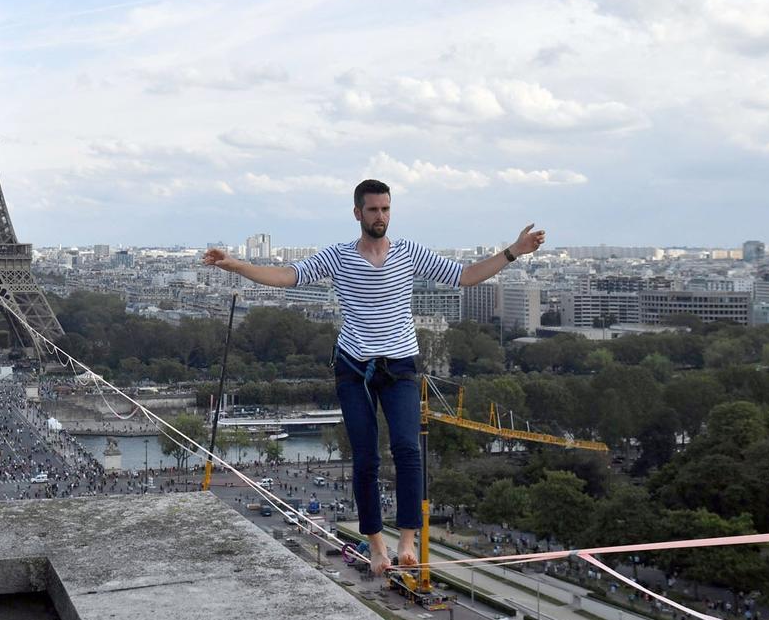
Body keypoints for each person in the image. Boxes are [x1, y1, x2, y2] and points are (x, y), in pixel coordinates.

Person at [202, 178, 545, 575]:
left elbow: (465, 276)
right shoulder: (339, 256)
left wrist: (513, 252)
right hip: (353, 368)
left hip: (399, 366)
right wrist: (234, 265)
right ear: (357, 213)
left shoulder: (409, 252)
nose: (380, 216)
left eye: (385, 209)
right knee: (365, 457)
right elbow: (287, 276)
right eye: (373, 210)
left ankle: (407, 540)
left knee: (408, 449)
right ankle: (377, 543)